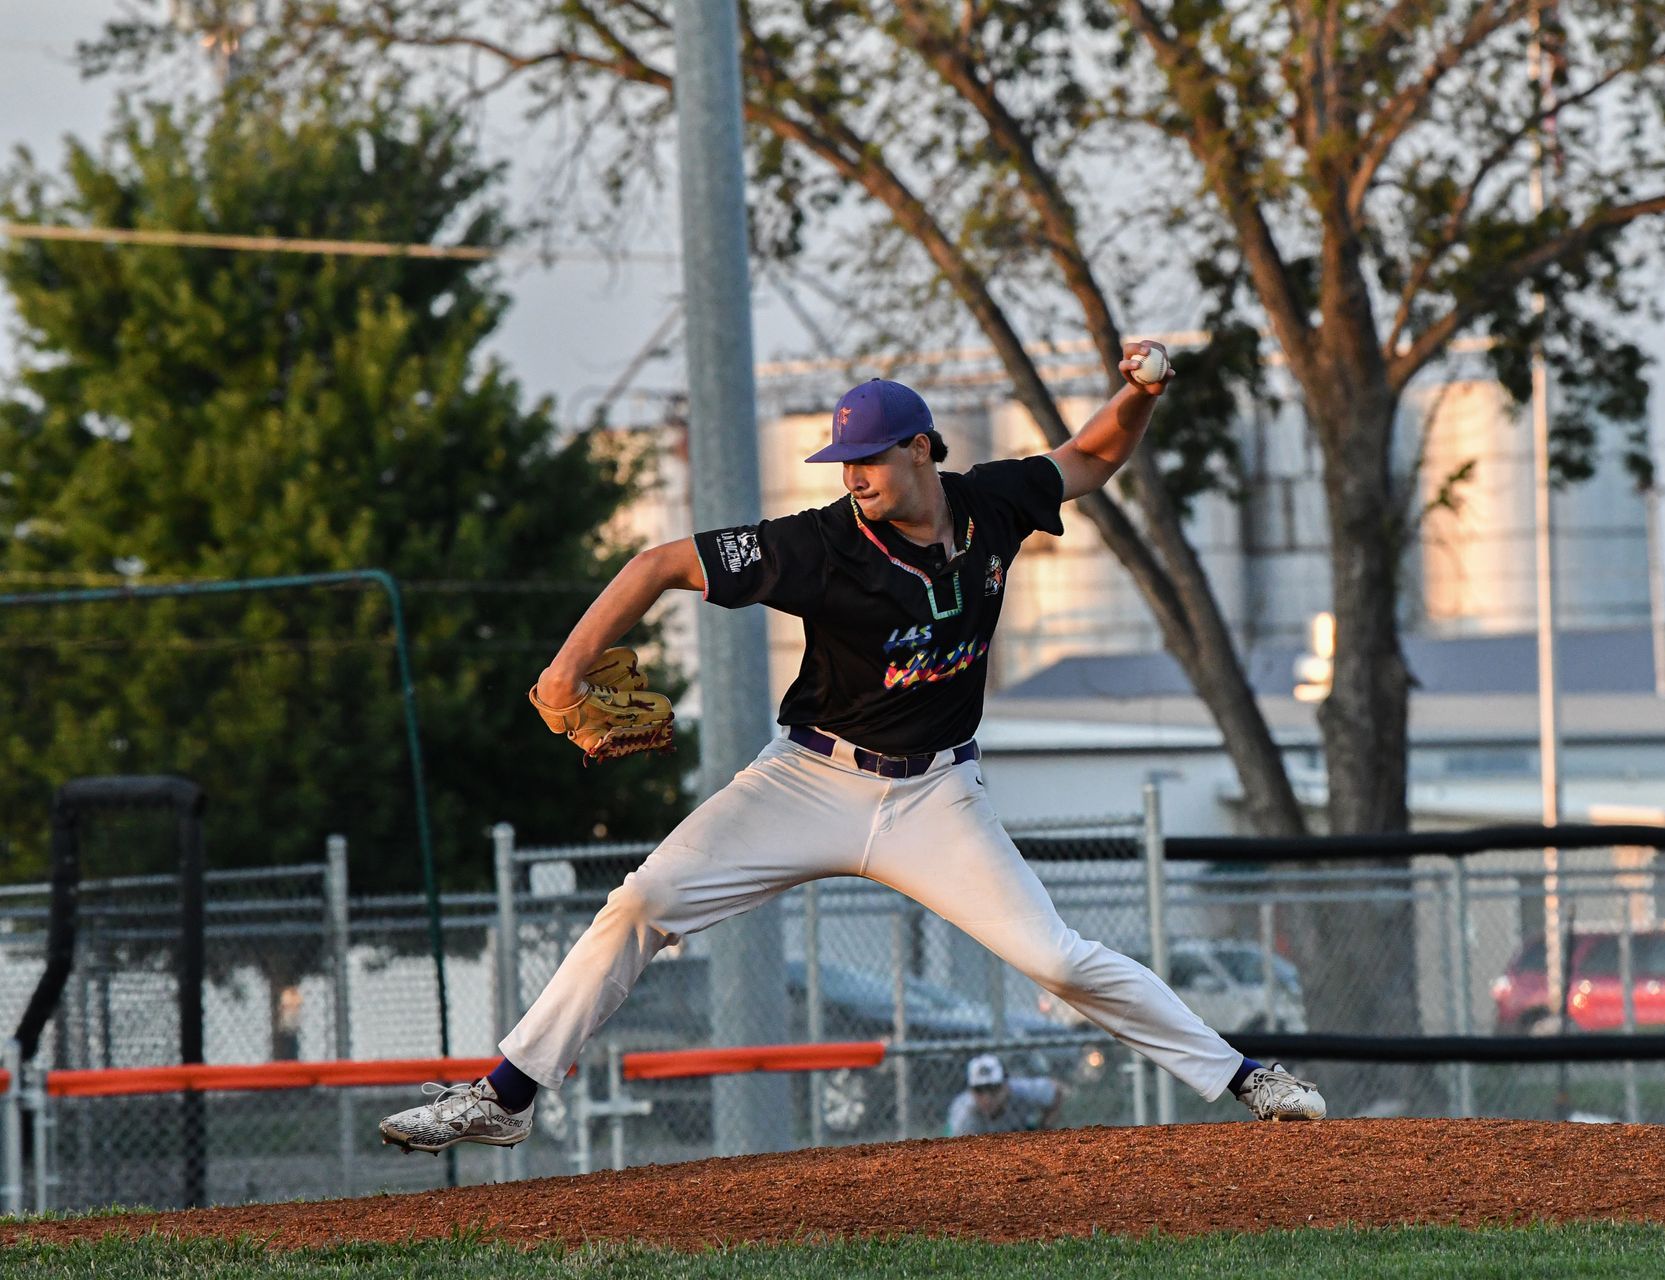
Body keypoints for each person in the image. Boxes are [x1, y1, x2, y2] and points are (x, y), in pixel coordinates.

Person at [378, 343, 1326, 1154]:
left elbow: (1091, 457)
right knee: (644, 901)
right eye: (843, 460)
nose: (853, 476)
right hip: (807, 778)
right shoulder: (820, 545)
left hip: (937, 799)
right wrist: (564, 670)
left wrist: (1142, 395)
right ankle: (504, 1097)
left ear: (920, 450)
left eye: (869, 457)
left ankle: (1247, 1077)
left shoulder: (992, 503)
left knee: (1060, 961)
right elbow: (658, 563)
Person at [946, 1053, 1064, 1137]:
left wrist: (1044, 1129)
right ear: (971, 1091)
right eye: (979, 1090)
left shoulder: (1021, 1091)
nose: (987, 1098)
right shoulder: (964, 1115)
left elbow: (1055, 1090)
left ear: (1006, 1086)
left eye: (993, 1089)